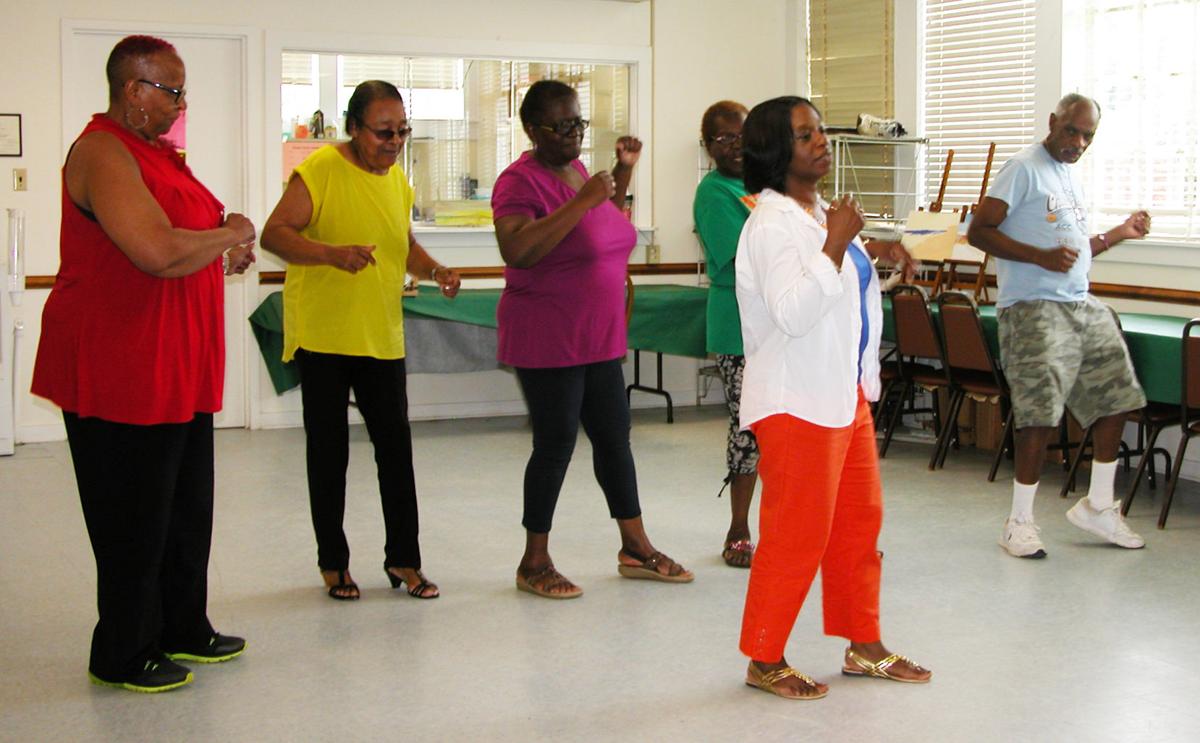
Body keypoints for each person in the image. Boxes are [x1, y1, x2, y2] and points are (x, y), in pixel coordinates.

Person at [31, 35, 254, 693]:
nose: (181, 104)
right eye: (172, 91)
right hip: (119, 361)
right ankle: (123, 650)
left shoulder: (158, 155)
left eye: (183, 93)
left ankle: (182, 626)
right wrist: (230, 233)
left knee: (185, 507)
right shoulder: (102, 152)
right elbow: (156, 251)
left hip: (176, 358)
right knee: (133, 516)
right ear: (133, 90)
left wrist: (220, 247)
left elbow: (186, 238)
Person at [735, 96, 930, 699]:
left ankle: (862, 643)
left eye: (819, 130)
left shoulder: (820, 213)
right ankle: (764, 656)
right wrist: (838, 244)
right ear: (775, 150)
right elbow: (793, 313)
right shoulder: (770, 224)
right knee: (795, 534)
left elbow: (844, 299)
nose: (821, 141)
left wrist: (881, 258)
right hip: (796, 401)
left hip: (844, 396)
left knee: (857, 526)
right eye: (804, 135)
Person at [491, 79, 693, 599]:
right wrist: (581, 201)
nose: (573, 134)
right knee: (556, 443)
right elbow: (518, 250)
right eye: (561, 126)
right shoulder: (518, 181)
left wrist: (622, 173)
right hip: (548, 333)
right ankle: (534, 561)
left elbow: (598, 223)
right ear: (532, 129)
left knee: (613, 437)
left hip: (597, 332)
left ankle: (636, 547)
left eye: (578, 122)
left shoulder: (579, 172)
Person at [261, 80, 461, 601]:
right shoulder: (321, 170)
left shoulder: (397, 181)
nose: (394, 143)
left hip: (381, 337)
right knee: (329, 455)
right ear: (353, 127)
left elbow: (403, 244)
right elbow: (274, 234)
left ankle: (404, 560)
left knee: (396, 453)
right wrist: (330, 254)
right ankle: (334, 562)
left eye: (401, 132)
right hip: (324, 337)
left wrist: (435, 270)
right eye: (382, 132)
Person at [968, 93, 1151, 558]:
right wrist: (1038, 257)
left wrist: (1119, 233)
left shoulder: (1068, 176)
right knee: (1039, 413)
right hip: (1031, 308)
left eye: (1088, 136)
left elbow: (1073, 251)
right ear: (1053, 122)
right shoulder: (1023, 167)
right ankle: (1019, 522)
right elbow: (979, 231)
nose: (1079, 143)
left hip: (1078, 304)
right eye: (1072, 131)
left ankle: (1099, 506)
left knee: (1119, 397)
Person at [693, 100, 760, 568]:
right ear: (708, 147)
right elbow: (743, 262)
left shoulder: (768, 185)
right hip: (739, 328)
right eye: (724, 138)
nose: (736, 146)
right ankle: (738, 528)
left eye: (743, 136)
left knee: (789, 432)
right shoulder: (714, 192)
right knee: (748, 429)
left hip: (780, 325)